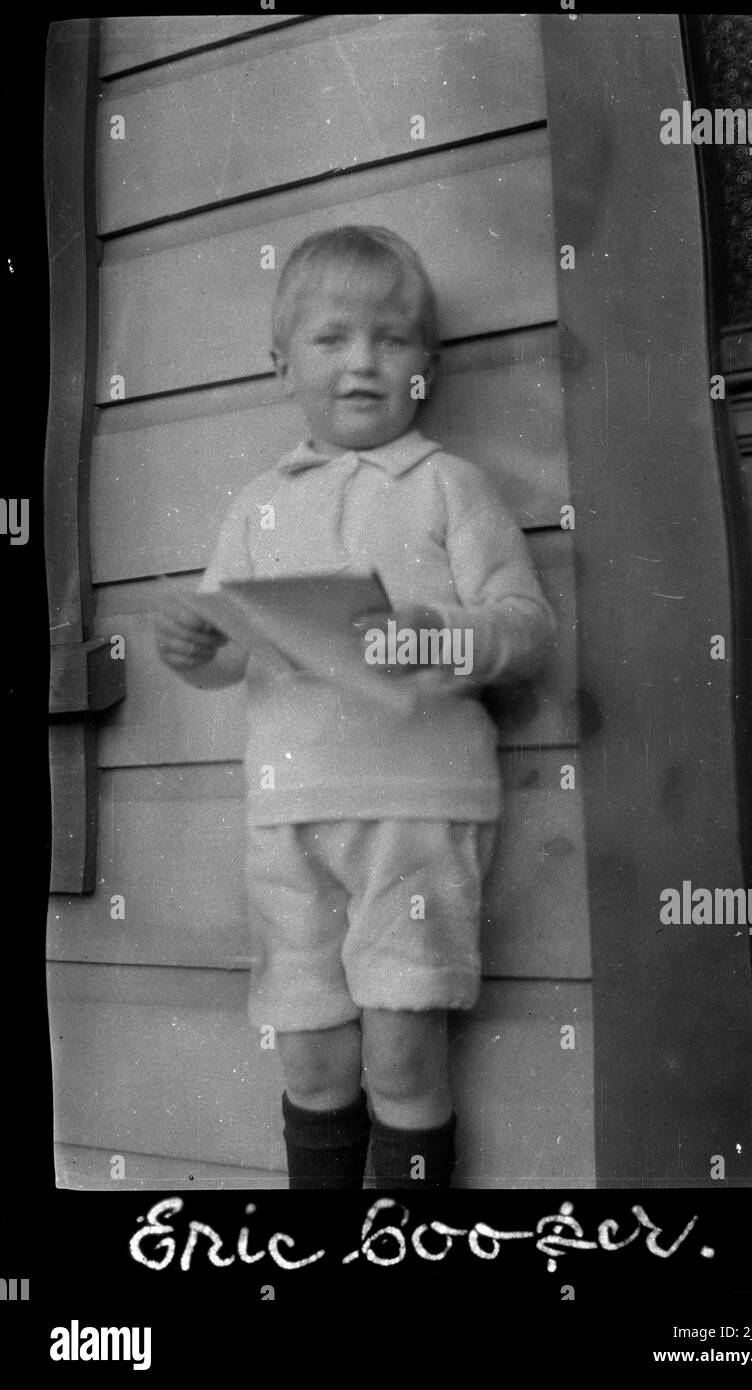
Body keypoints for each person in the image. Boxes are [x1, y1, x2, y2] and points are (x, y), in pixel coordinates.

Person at [155, 225, 556, 1189]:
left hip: (415, 811)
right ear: (281, 361)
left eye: (393, 339)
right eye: (334, 339)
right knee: (312, 1060)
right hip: (287, 815)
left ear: (429, 363)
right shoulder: (255, 507)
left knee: (404, 1057)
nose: (364, 362)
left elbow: (526, 628)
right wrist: (196, 651)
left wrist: (435, 633)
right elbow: (230, 651)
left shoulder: (450, 487)